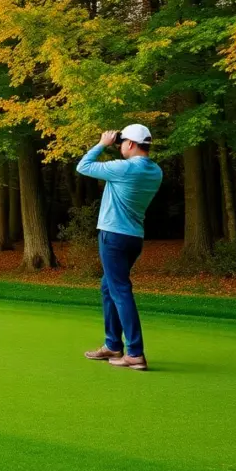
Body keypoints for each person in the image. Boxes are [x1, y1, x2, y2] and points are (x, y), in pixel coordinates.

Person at [76, 124, 163, 371]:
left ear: (132, 144)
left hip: (113, 237)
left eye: (122, 142)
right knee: (109, 287)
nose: (119, 147)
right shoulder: (155, 171)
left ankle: (135, 352)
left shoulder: (124, 168)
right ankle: (113, 344)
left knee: (120, 291)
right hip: (133, 238)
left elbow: (83, 166)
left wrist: (102, 144)